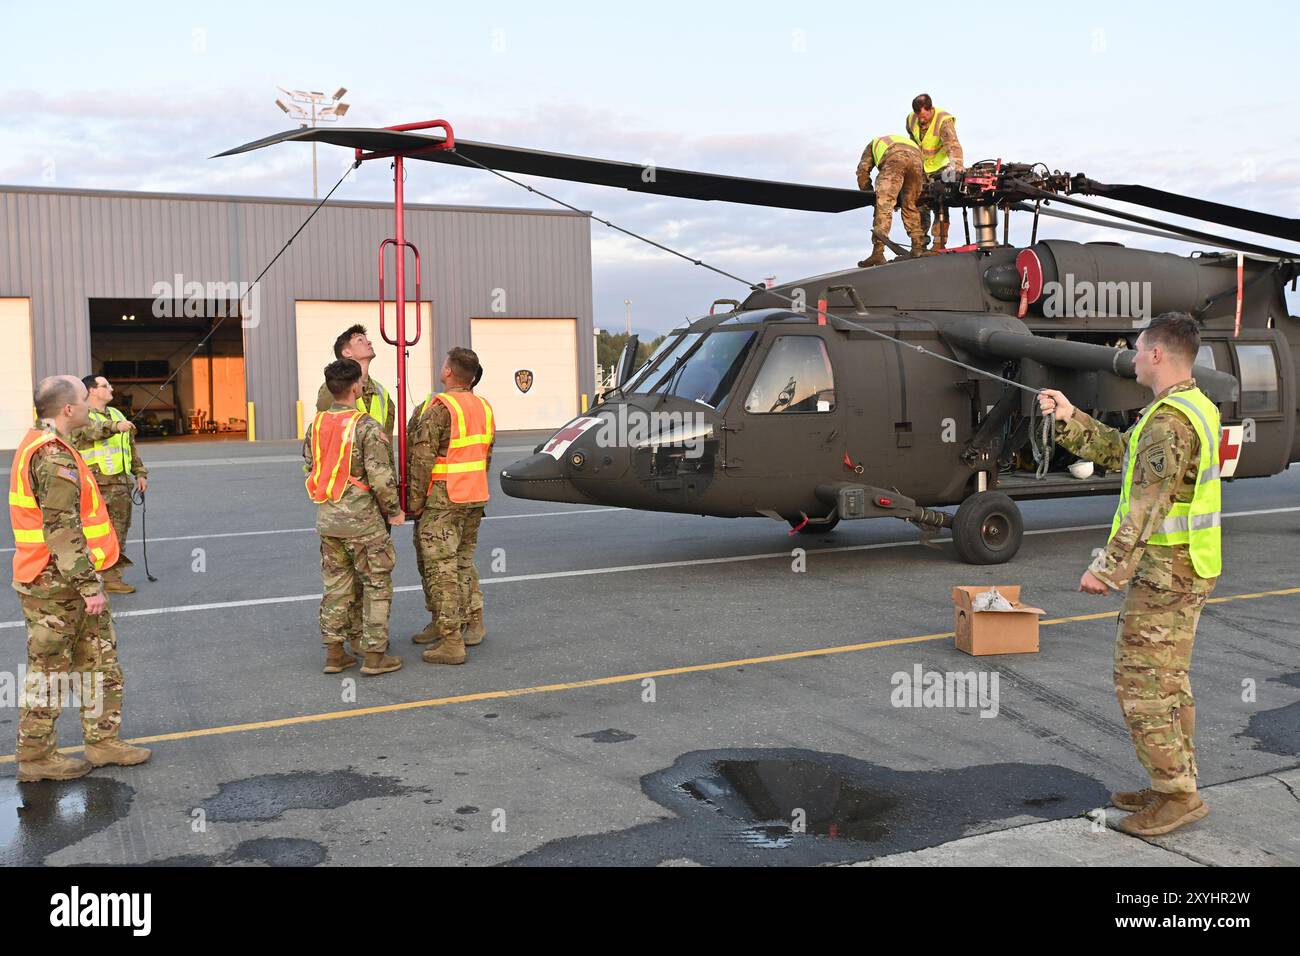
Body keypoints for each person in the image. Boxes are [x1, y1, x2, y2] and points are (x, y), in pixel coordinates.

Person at [1037, 312, 1221, 837]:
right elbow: (1122, 453)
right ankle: (1173, 781)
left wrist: (1107, 568)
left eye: (1138, 349)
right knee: (1169, 683)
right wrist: (1070, 415)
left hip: (1168, 572)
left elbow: (1147, 504)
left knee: (1141, 684)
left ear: (1158, 355)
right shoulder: (1187, 408)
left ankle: (1177, 795)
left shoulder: (1169, 421)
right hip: (1187, 565)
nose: (1133, 357)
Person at [10, 375, 150, 781]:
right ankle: (36, 757)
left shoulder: (47, 439)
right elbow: (62, 529)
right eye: (84, 402)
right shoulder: (53, 457)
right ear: (67, 409)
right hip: (56, 583)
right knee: (50, 671)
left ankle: (102, 742)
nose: (92, 407)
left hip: (63, 576)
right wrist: (90, 587)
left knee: (100, 663)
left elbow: (98, 427)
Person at [306, 359, 405, 676]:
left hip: (329, 519)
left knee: (336, 587)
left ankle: (334, 654)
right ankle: (375, 656)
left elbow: (310, 467)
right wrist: (395, 510)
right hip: (363, 522)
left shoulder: (317, 425)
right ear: (355, 388)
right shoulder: (367, 427)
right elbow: (381, 477)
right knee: (377, 584)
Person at [406, 347, 494, 664]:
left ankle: (451, 641)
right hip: (474, 496)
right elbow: (486, 455)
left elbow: (422, 459)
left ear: (448, 372)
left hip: (443, 499)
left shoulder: (439, 408)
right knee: (462, 563)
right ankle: (473, 623)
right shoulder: (483, 407)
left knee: (440, 568)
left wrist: (414, 501)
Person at [70, 375, 147, 594]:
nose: (111, 388)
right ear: (92, 391)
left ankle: (113, 578)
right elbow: (92, 430)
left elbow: (129, 447)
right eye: (105, 386)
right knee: (87, 534)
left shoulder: (117, 414)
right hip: (92, 487)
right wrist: (116, 426)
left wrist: (140, 473)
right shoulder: (81, 414)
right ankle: (84, 579)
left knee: (118, 533)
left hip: (120, 485)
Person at [855, 134, 925, 267]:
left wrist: (868, 194)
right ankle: (917, 247)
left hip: (895, 158)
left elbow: (863, 171)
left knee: (884, 206)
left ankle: (878, 253)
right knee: (910, 205)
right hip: (917, 160)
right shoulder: (904, 141)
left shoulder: (872, 146)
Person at [905, 94, 964, 251]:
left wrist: (956, 169)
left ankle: (939, 243)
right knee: (919, 202)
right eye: (918, 116)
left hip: (941, 168)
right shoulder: (911, 120)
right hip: (922, 168)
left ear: (930, 109)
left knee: (940, 202)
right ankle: (920, 244)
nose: (921, 120)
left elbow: (953, 146)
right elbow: (913, 143)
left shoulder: (943, 120)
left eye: (924, 116)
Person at [316, 325, 395, 440]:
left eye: (366, 339)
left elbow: (387, 440)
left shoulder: (382, 392)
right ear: (347, 352)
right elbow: (326, 432)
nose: (369, 342)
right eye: (360, 340)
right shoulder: (332, 388)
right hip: (347, 457)